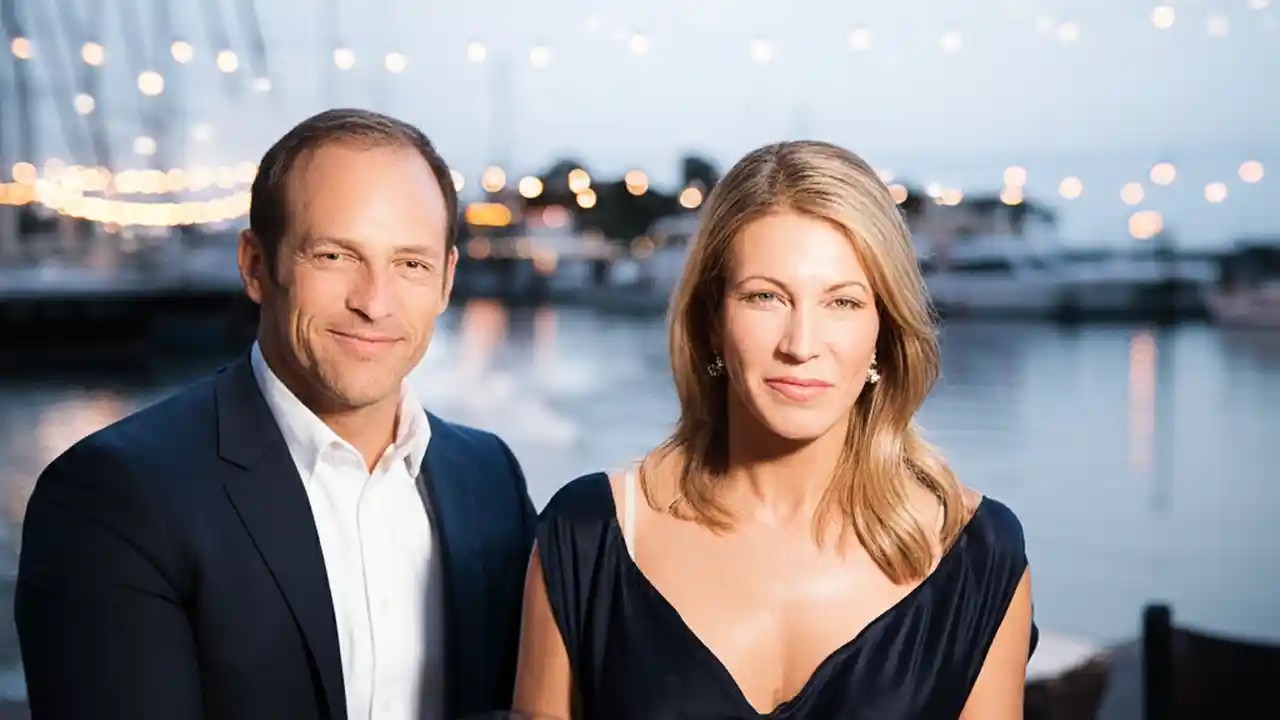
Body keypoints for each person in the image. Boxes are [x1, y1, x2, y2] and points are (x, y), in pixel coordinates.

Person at [15, 108, 536, 720]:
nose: (374, 301)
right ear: (256, 265)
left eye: (410, 264)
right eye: (335, 256)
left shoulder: (488, 478)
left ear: (447, 282)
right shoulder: (115, 497)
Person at [512, 140, 1038, 718]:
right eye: (765, 297)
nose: (801, 345)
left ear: (883, 330)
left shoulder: (976, 553)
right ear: (712, 321)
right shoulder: (588, 533)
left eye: (842, 302)